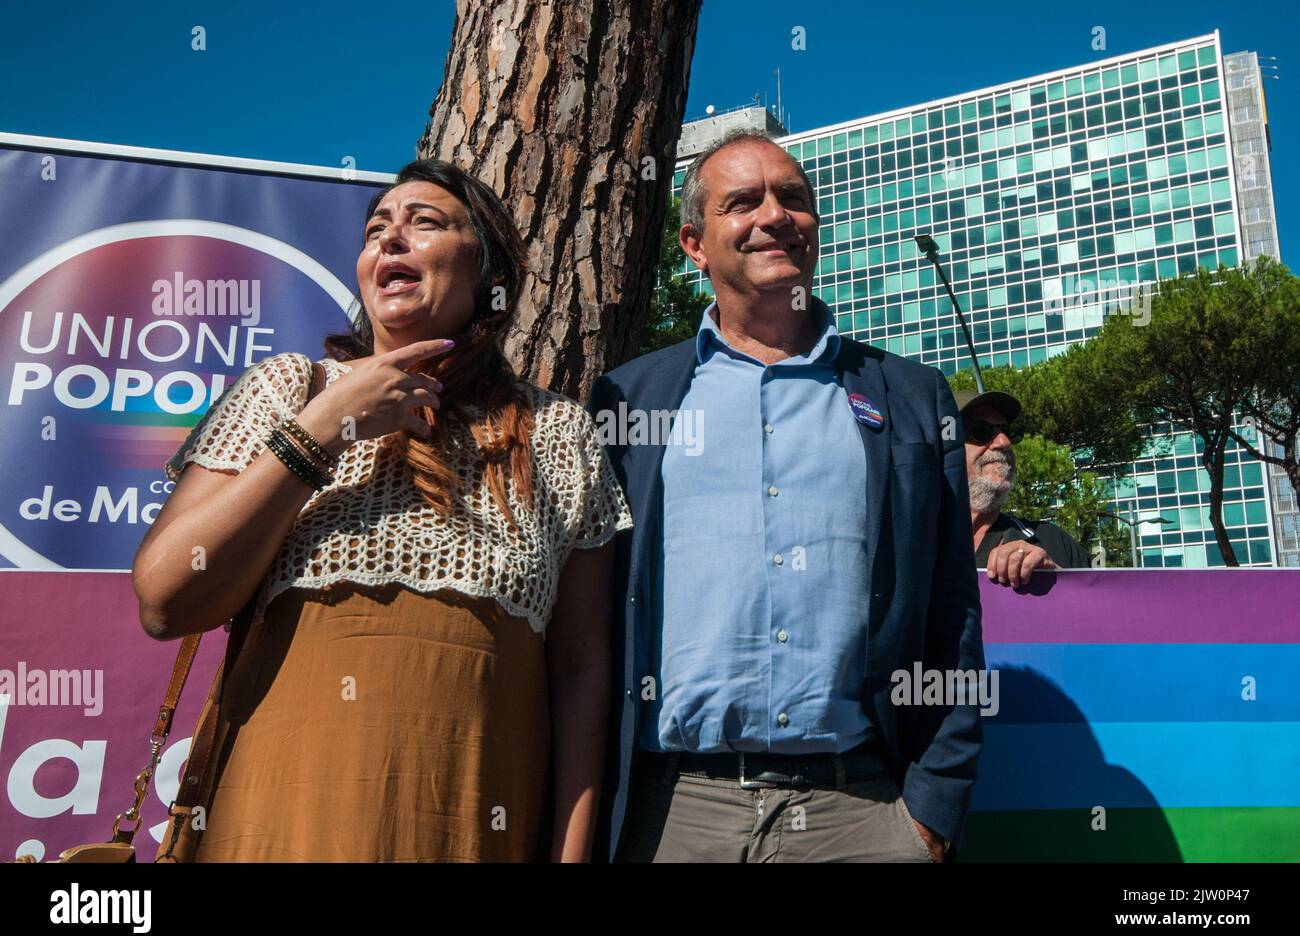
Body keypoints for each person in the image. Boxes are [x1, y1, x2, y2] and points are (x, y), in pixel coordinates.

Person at [132, 159, 631, 862]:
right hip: (274, 822)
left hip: (474, 827)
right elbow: (164, 598)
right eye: (376, 230)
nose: (390, 240)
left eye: (423, 222)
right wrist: (322, 428)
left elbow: (581, 669)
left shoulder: (561, 433)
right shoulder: (288, 388)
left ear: (490, 275)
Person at [589, 131, 984, 863]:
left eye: (793, 198)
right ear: (694, 243)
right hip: (672, 814)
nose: (775, 215)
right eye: (743, 201)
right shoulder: (626, 398)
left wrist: (931, 812)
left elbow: (953, 613)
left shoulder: (910, 394)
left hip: (860, 809)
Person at [956, 389, 1092, 587]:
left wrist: (1058, 582)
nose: (1004, 442)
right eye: (981, 431)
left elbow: (1105, 612)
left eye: (1007, 431)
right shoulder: (909, 547)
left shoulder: (1052, 541)